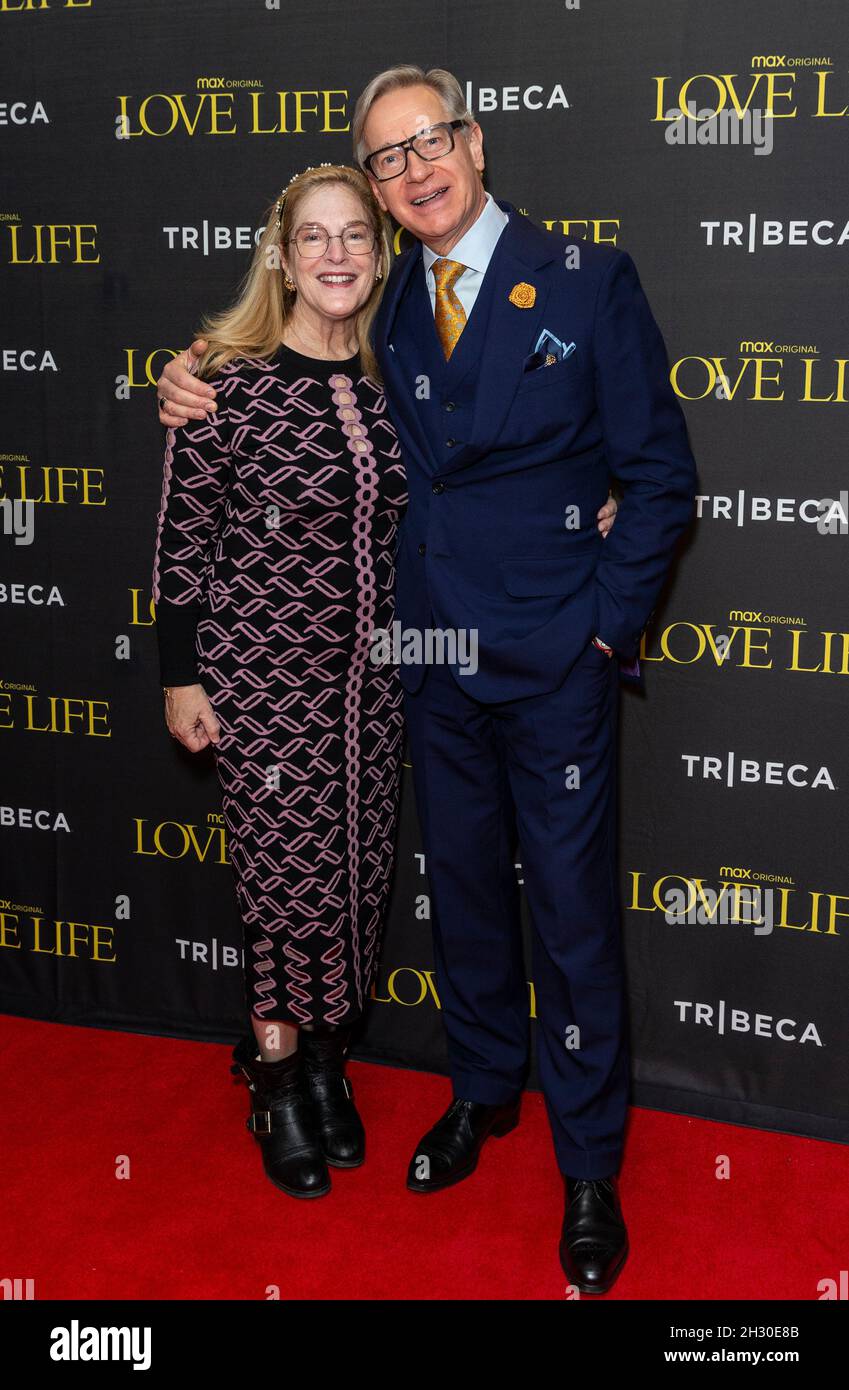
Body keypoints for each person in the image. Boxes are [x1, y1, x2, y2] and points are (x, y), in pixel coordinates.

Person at [153, 159, 621, 1213]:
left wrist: (599, 503)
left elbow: (502, 461)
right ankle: (274, 1084)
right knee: (281, 890)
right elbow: (181, 551)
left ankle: (327, 1063)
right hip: (259, 682)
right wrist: (180, 676)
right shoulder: (221, 385)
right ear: (282, 253)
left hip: (376, 682)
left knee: (355, 881)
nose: (335, 254)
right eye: (312, 236)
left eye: (354, 237)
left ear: (379, 258)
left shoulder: (391, 377)